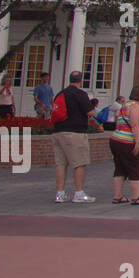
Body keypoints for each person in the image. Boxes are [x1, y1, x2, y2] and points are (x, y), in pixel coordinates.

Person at [52, 70, 96, 203]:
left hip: (58, 131)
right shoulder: (80, 94)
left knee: (61, 163)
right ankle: (79, 193)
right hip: (74, 132)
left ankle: (60, 194)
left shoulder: (61, 93)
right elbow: (90, 112)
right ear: (80, 81)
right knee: (79, 163)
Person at [110, 86, 139, 205]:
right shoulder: (135, 106)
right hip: (127, 141)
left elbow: (119, 121)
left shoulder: (124, 105)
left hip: (116, 139)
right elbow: (134, 125)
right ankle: (136, 197)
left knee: (120, 167)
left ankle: (118, 196)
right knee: (137, 166)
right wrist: (137, 142)